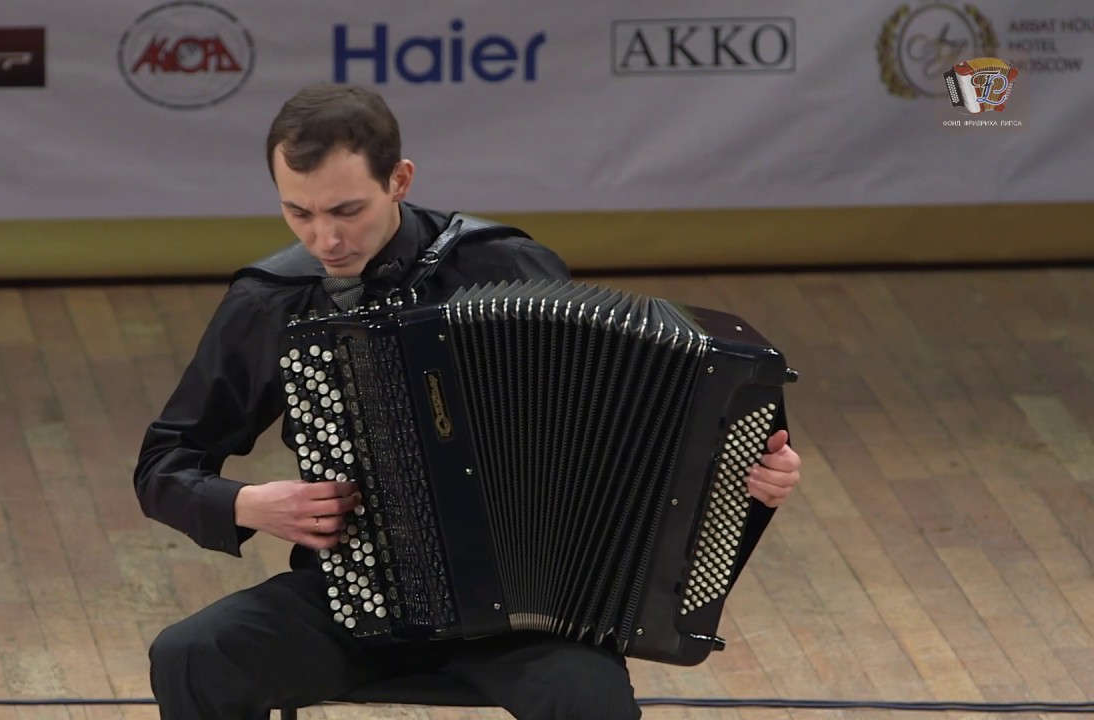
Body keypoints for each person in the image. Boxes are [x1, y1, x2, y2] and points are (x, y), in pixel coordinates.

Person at [133, 83, 803, 720]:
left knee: (587, 696)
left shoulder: (504, 266)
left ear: (399, 181)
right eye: (298, 213)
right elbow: (165, 464)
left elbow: (625, 430)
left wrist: (742, 476)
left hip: (524, 619)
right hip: (353, 603)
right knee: (192, 655)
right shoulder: (270, 302)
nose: (324, 240)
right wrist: (250, 504)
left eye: (346, 211)